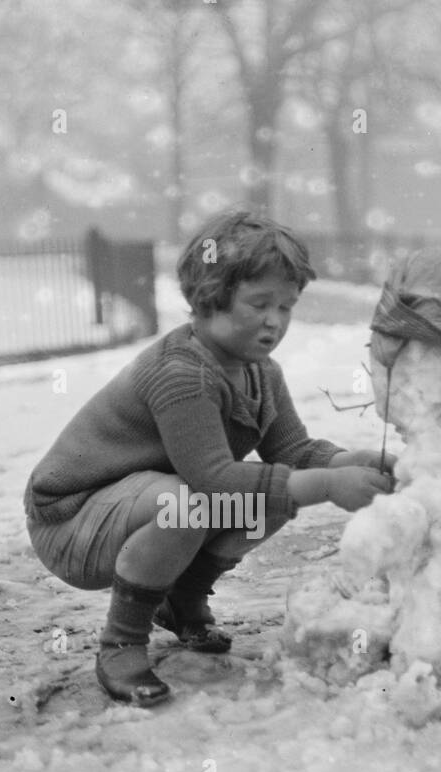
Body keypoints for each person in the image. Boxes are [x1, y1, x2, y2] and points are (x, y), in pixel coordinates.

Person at [23, 209, 395, 706]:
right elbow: (214, 478)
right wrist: (328, 487)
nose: (275, 321)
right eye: (260, 303)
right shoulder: (183, 373)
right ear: (209, 299)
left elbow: (293, 453)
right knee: (193, 501)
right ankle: (121, 642)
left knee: (270, 494)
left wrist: (350, 460)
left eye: (287, 306)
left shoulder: (260, 371)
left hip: (139, 503)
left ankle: (183, 599)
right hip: (72, 522)